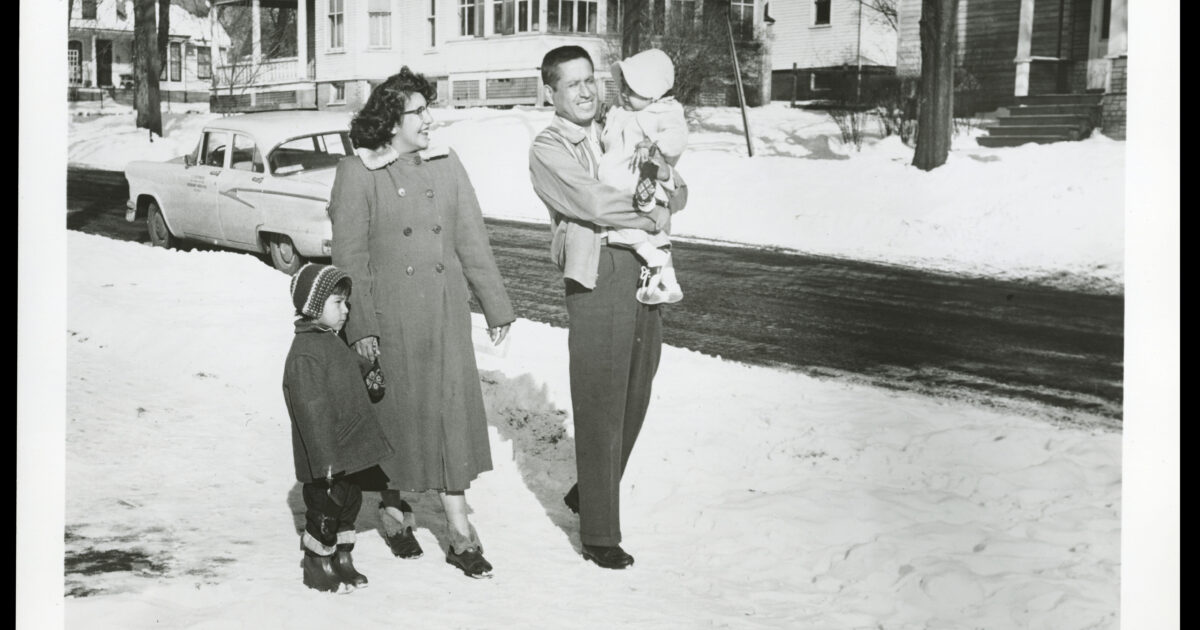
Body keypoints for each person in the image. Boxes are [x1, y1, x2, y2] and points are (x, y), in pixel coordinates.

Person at [328, 66, 515, 579]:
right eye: (419, 112)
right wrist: (361, 326)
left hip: (445, 313)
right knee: (398, 420)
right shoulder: (358, 173)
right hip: (392, 321)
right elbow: (349, 260)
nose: (429, 120)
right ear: (391, 123)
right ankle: (392, 508)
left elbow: (471, 239)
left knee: (449, 417)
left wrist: (495, 304)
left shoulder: (446, 165)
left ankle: (459, 530)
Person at [528, 45, 689, 570]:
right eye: (571, 83)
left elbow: (679, 192)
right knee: (600, 402)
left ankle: (589, 491)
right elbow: (593, 203)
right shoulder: (549, 147)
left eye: (590, 80)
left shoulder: (625, 122)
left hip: (643, 270)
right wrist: (652, 215)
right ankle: (599, 532)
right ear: (550, 92)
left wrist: (665, 184)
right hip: (599, 274)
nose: (584, 91)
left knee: (636, 393)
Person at [282, 263, 394, 593]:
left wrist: (367, 370)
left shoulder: (328, 340)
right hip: (328, 460)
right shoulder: (305, 355)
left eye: (346, 303)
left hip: (348, 454)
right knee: (325, 513)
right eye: (337, 303)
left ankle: (342, 560)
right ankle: (317, 565)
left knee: (348, 507)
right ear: (313, 307)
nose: (345, 310)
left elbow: (347, 364)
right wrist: (326, 463)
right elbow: (312, 413)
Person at [597, 48, 689, 305]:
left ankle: (651, 256)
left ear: (653, 91)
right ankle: (670, 282)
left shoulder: (665, 111)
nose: (624, 93)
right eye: (623, 87)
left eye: (633, 89)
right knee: (650, 229)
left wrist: (653, 143)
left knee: (622, 222)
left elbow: (678, 138)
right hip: (622, 181)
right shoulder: (622, 109)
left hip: (635, 182)